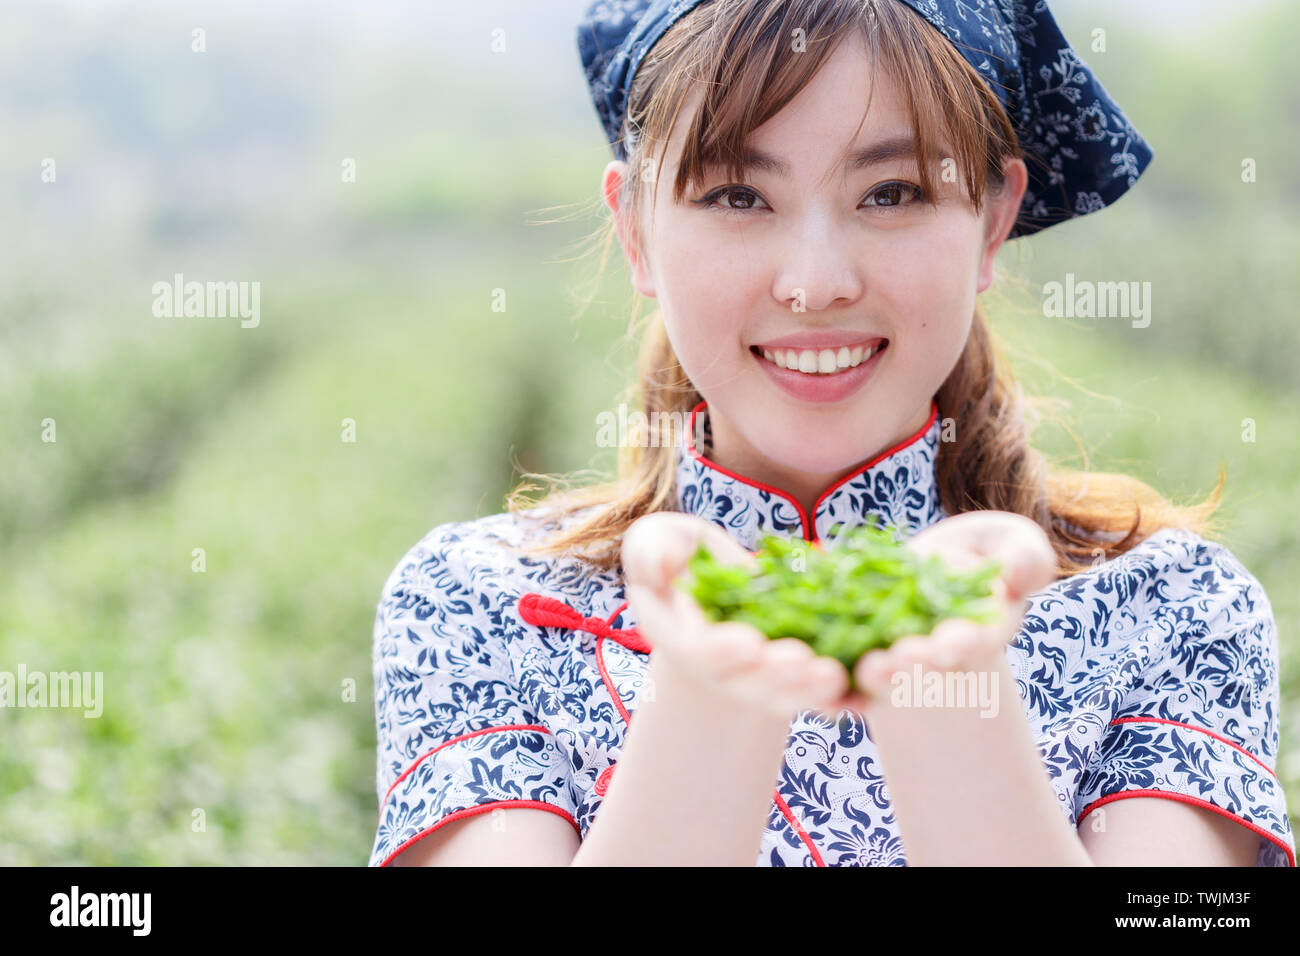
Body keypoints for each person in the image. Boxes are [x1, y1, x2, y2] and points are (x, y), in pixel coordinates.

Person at [367, 0, 1295, 866]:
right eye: (737, 194)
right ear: (636, 229)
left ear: (993, 221)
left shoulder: (1169, 609)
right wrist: (705, 698)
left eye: (891, 192)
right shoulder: (484, 606)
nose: (817, 284)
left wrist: (952, 693)